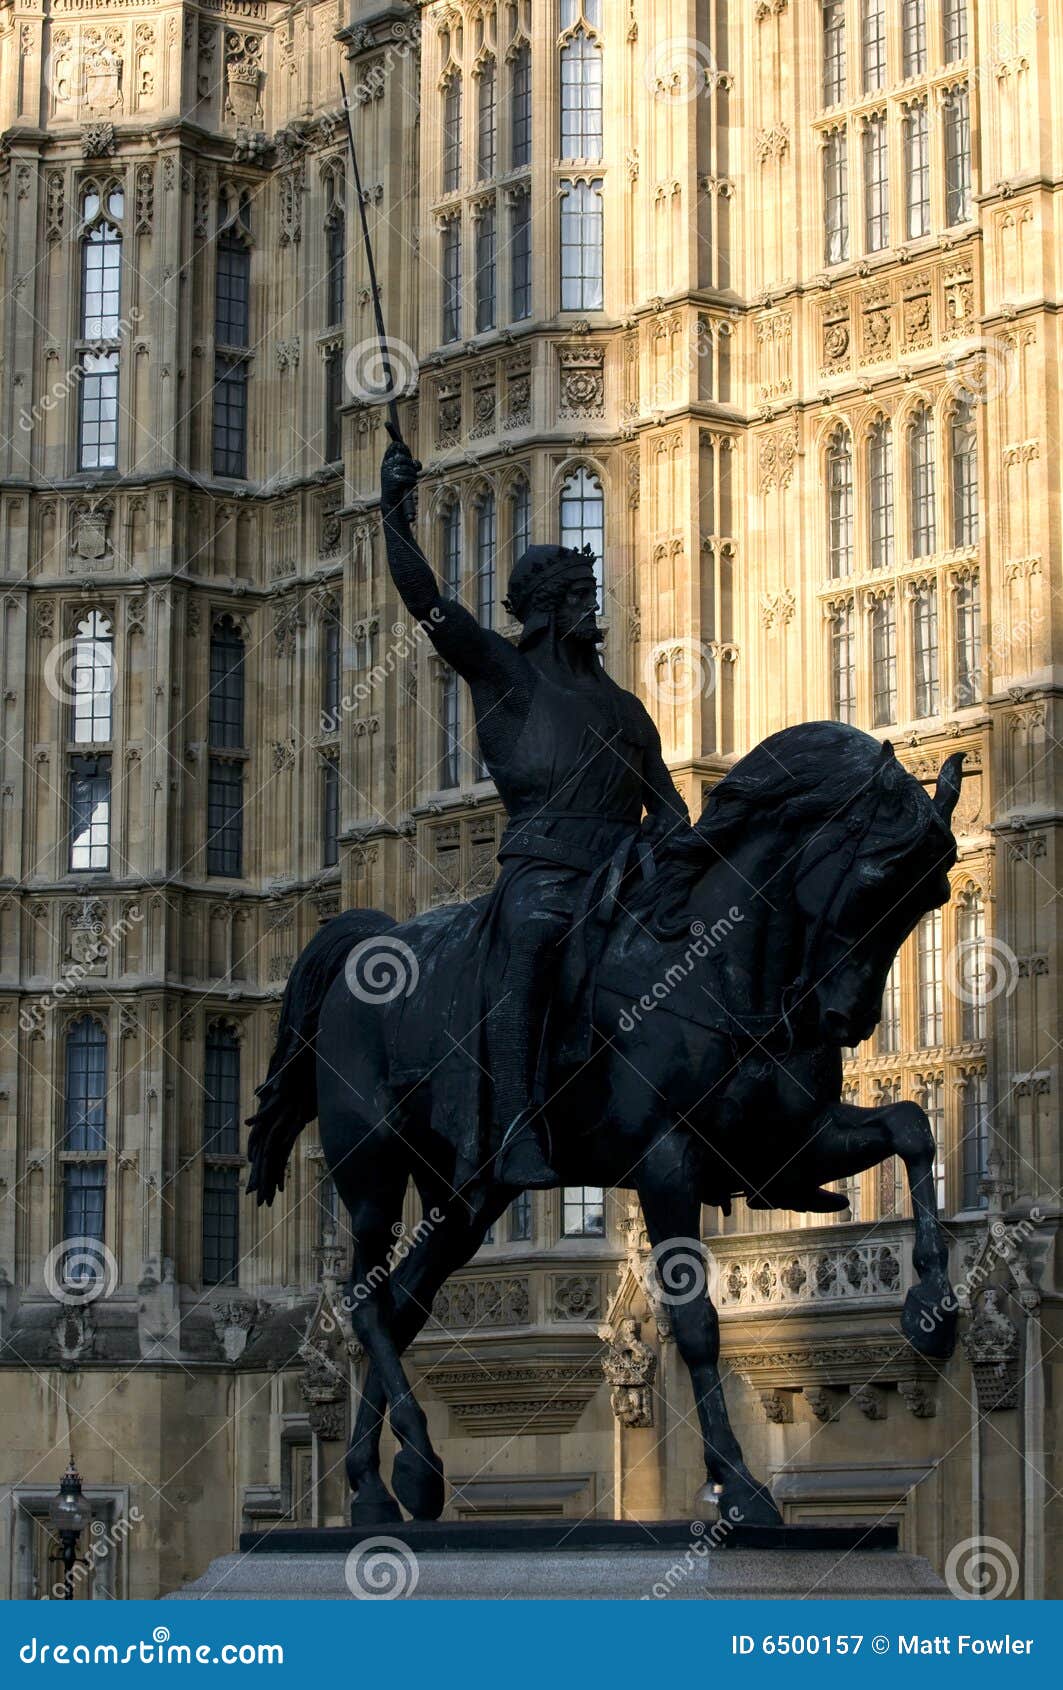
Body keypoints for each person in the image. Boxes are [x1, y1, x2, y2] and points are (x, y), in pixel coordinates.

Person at [381, 435, 689, 1187]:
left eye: (592, 597)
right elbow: (429, 605)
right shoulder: (506, 674)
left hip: (621, 884)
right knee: (532, 949)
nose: (595, 611)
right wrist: (393, 511)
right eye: (581, 600)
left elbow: (672, 813)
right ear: (548, 612)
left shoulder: (624, 709)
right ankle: (514, 1124)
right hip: (543, 878)